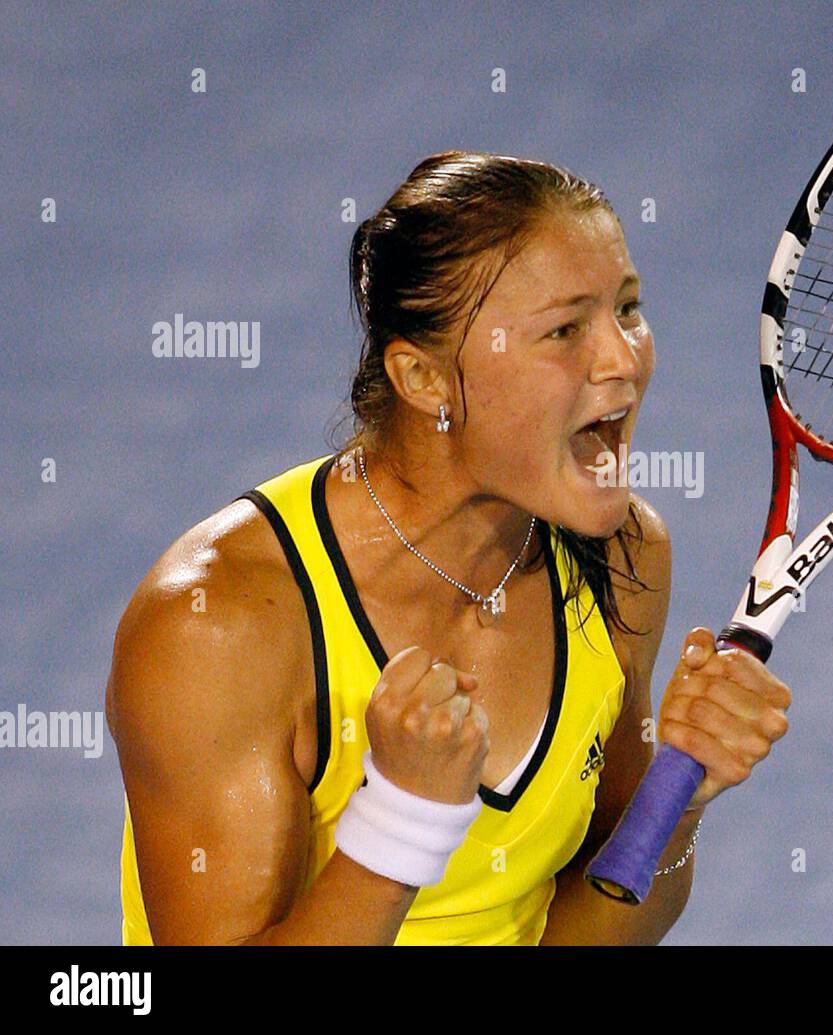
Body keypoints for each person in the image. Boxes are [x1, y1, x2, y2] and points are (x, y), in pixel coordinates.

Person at [105, 151, 791, 945]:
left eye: (627, 310)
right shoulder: (216, 625)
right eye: (565, 329)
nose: (622, 360)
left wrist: (677, 805)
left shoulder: (627, 557)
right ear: (425, 380)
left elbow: (603, 920)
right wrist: (401, 823)